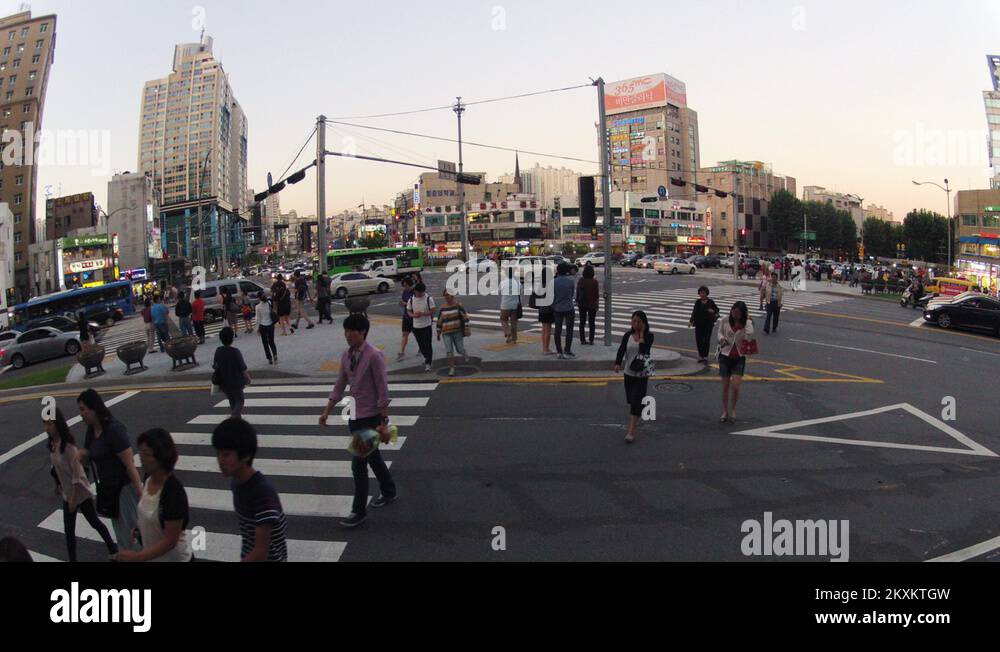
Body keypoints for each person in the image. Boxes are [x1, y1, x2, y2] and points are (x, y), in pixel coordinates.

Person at [319, 313, 397, 528]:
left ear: (362, 331)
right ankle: (389, 491)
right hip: (354, 416)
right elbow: (340, 384)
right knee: (373, 458)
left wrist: (384, 422)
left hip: (371, 418)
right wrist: (327, 410)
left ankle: (358, 511)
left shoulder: (374, 355)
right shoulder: (346, 356)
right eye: (345, 331)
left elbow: (382, 389)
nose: (347, 335)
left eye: (351, 331)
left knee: (358, 464)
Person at [46, 407, 118, 562]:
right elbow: (55, 467)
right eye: (45, 424)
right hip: (68, 493)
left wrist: (73, 498)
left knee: (94, 522)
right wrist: (57, 483)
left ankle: (113, 549)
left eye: (50, 424)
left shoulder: (69, 447)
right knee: (69, 531)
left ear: (57, 423)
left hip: (80, 492)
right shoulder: (52, 444)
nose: (47, 428)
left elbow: (77, 473)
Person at [212, 418, 288, 561]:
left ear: (246, 455)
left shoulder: (261, 493)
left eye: (226, 455)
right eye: (218, 454)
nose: (220, 460)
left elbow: (261, 552)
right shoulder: (237, 482)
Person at [77, 388, 143, 552]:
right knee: (121, 533)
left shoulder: (114, 430)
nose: (81, 414)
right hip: (109, 490)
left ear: (93, 408)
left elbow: (129, 464)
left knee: (133, 532)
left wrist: (141, 495)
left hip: (124, 489)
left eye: (83, 409)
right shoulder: (91, 431)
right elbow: (87, 456)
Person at [116, 429, 192, 562]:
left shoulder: (173, 492)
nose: (140, 458)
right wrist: (141, 528)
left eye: (146, 454)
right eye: (140, 452)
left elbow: (170, 541)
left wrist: (137, 557)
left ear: (161, 456)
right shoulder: (148, 479)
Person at [613, 311, 655, 444]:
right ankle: (638, 412)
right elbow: (621, 349)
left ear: (644, 323)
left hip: (642, 373)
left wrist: (642, 335)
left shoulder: (649, 336)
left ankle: (631, 432)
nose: (636, 324)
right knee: (632, 400)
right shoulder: (627, 335)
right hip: (628, 372)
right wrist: (617, 363)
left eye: (639, 321)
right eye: (634, 321)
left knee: (636, 401)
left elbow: (644, 352)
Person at [718, 301, 755, 423]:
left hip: (739, 357)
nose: (735, 315)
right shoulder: (725, 319)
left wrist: (748, 321)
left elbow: (750, 335)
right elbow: (719, 332)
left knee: (736, 386)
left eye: (738, 313)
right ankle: (725, 410)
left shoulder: (746, 323)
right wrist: (722, 339)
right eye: (733, 311)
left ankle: (733, 409)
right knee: (725, 386)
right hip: (725, 355)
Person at [213, 327, 251, 419]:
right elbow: (242, 368)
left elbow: (215, 366)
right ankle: (234, 417)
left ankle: (237, 420)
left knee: (232, 400)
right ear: (232, 338)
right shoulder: (235, 351)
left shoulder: (218, 350)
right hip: (236, 381)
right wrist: (248, 378)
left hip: (223, 382)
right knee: (240, 401)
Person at [436, 290, 469, 377]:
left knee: (459, 349)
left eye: (448, 295)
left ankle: (464, 352)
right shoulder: (442, 307)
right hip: (446, 332)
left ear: (452, 296)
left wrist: (466, 327)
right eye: (445, 295)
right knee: (449, 351)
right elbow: (439, 321)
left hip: (457, 332)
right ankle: (452, 368)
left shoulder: (458, 305)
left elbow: (465, 317)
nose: (446, 297)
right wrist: (438, 332)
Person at [406, 282, 436, 372]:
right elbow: (408, 311)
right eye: (418, 292)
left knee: (428, 344)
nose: (420, 294)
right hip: (415, 326)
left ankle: (428, 363)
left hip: (426, 325)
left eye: (422, 292)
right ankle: (426, 357)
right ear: (415, 291)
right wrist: (413, 315)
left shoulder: (428, 299)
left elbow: (433, 311)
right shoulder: (411, 299)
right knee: (421, 344)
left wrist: (423, 313)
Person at [688, 286, 719, 364]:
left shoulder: (710, 302)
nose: (702, 294)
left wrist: (712, 311)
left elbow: (717, 310)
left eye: (703, 293)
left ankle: (705, 356)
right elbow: (694, 312)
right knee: (699, 340)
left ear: (706, 293)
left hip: (708, 324)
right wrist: (691, 321)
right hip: (699, 324)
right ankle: (701, 356)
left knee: (706, 339)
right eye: (700, 293)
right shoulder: (698, 302)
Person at [552, 263, 576, 359]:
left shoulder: (553, 282)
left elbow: (552, 296)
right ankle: (567, 350)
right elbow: (571, 295)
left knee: (558, 330)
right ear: (566, 271)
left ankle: (559, 351)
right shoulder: (570, 282)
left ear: (557, 271)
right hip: (569, 308)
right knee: (569, 330)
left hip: (557, 308)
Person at [532, 262, 556, 355]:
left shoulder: (540, 285)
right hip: (549, 309)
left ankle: (544, 347)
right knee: (548, 329)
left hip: (542, 308)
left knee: (544, 329)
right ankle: (546, 349)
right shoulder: (551, 285)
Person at [576, 264, 599, 346]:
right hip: (592, 304)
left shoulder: (581, 280)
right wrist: (597, 304)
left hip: (582, 303)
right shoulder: (594, 281)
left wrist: (577, 300)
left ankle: (582, 340)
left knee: (582, 322)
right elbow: (596, 295)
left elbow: (578, 292)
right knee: (591, 322)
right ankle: (591, 340)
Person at [498, 269, 522, 344]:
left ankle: (508, 333)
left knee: (503, 320)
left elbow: (499, 292)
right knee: (514, 323)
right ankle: (514, 339)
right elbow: (520, 293)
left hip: (505, 305)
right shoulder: (518, 283)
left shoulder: (503, 282)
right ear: (514, 273)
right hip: (515, 305)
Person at [255, 291, 278, 365]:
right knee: (271, 341)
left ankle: (269, 358)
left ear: (259, 298)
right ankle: (275, 354)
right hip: (271, 325)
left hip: (262, 326)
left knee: (265, 343)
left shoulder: (257, 307)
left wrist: (257, 329)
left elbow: (258, 319)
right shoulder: (269, 303)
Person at [396, 277, 415, 361]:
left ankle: (422, 348)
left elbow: (417, 303)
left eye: (406, 286)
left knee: (418, 335)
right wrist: (402, 303)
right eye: (403, 286)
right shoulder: (405, 292)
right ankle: (401, 352)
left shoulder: (415, 292)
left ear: (410, 285)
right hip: (406, 316)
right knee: (404, 334)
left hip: (414, 317)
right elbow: (404, 302)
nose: (405, 288)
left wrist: (405, 303)